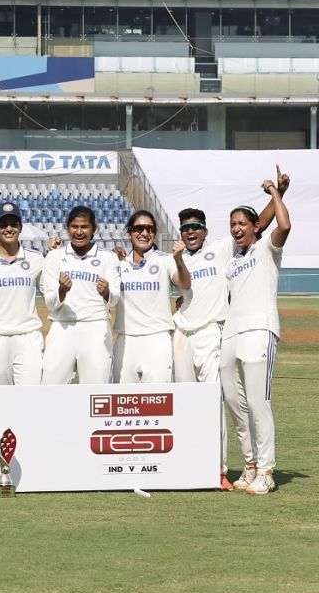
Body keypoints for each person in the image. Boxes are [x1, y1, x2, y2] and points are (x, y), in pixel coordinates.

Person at [174, 177, 285, 491]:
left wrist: (279, 193)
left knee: (235, 402)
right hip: (192, 335)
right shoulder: (181, 256)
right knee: (222, 404)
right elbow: (182, 286)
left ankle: (251, 470)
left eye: (196, 226)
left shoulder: (223, 249)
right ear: (180, 232)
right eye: (185, 228)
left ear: (206, 230)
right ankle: (242, 464)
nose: (191, 232)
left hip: (219, 333)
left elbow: (257, 224)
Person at [221, 170, 291, 495]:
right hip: (232, 334)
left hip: (260, 330)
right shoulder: (233, 257)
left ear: (255, 229)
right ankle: (249, 464)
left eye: (242, 224)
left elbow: (282, 225)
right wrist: (275, 194)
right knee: (236, 402)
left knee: (259, 403)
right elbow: (255, 220)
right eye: (233, 224)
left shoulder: (266, 249)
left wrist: (276, 194)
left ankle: (267, 470)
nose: (237, 228)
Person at [40, 205, 121, 385]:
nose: (79, 231)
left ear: (94, 229)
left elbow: (114, 299)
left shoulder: (108, 258)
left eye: (84, 227)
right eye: (74, 227)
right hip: (62, 327)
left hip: (96, 327)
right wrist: (62, 290)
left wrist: (106, 292)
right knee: (51, 387)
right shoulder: (54, 257)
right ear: (67, 228)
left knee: (96, 390)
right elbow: (50, 304)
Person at [112, 211, 190, 383]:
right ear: (129, 232)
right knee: (124, 404)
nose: (145, 233)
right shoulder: (117, 262)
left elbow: (184, 285)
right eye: (139, 228)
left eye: (150, 229)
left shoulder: (166, 260)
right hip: (126, 340)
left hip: (157, 339)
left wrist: (179, 260)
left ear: (155, 234)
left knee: (157, 401)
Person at [0, 202, 45, 386]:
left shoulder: (36, 259)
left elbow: (51, 295)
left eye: (13, 224)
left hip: (28, 336)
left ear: (20, 228)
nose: (9, 229)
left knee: (30, 397)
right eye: (3, 224)